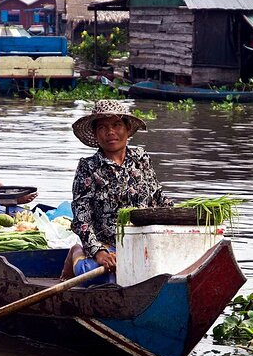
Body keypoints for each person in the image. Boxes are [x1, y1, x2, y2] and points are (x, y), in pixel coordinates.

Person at [59, 100, 173, 285]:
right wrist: (99, 252)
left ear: (127, 129)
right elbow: (82, 219)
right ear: (96, 134)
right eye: (103, 127)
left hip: (142, 241)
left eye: (116, 125)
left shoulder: (141, 158)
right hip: (107, 245)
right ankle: (76, 253)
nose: (110, 132)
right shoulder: (88, 167)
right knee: (104, 277)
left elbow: (158, 197)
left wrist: (184, 217)